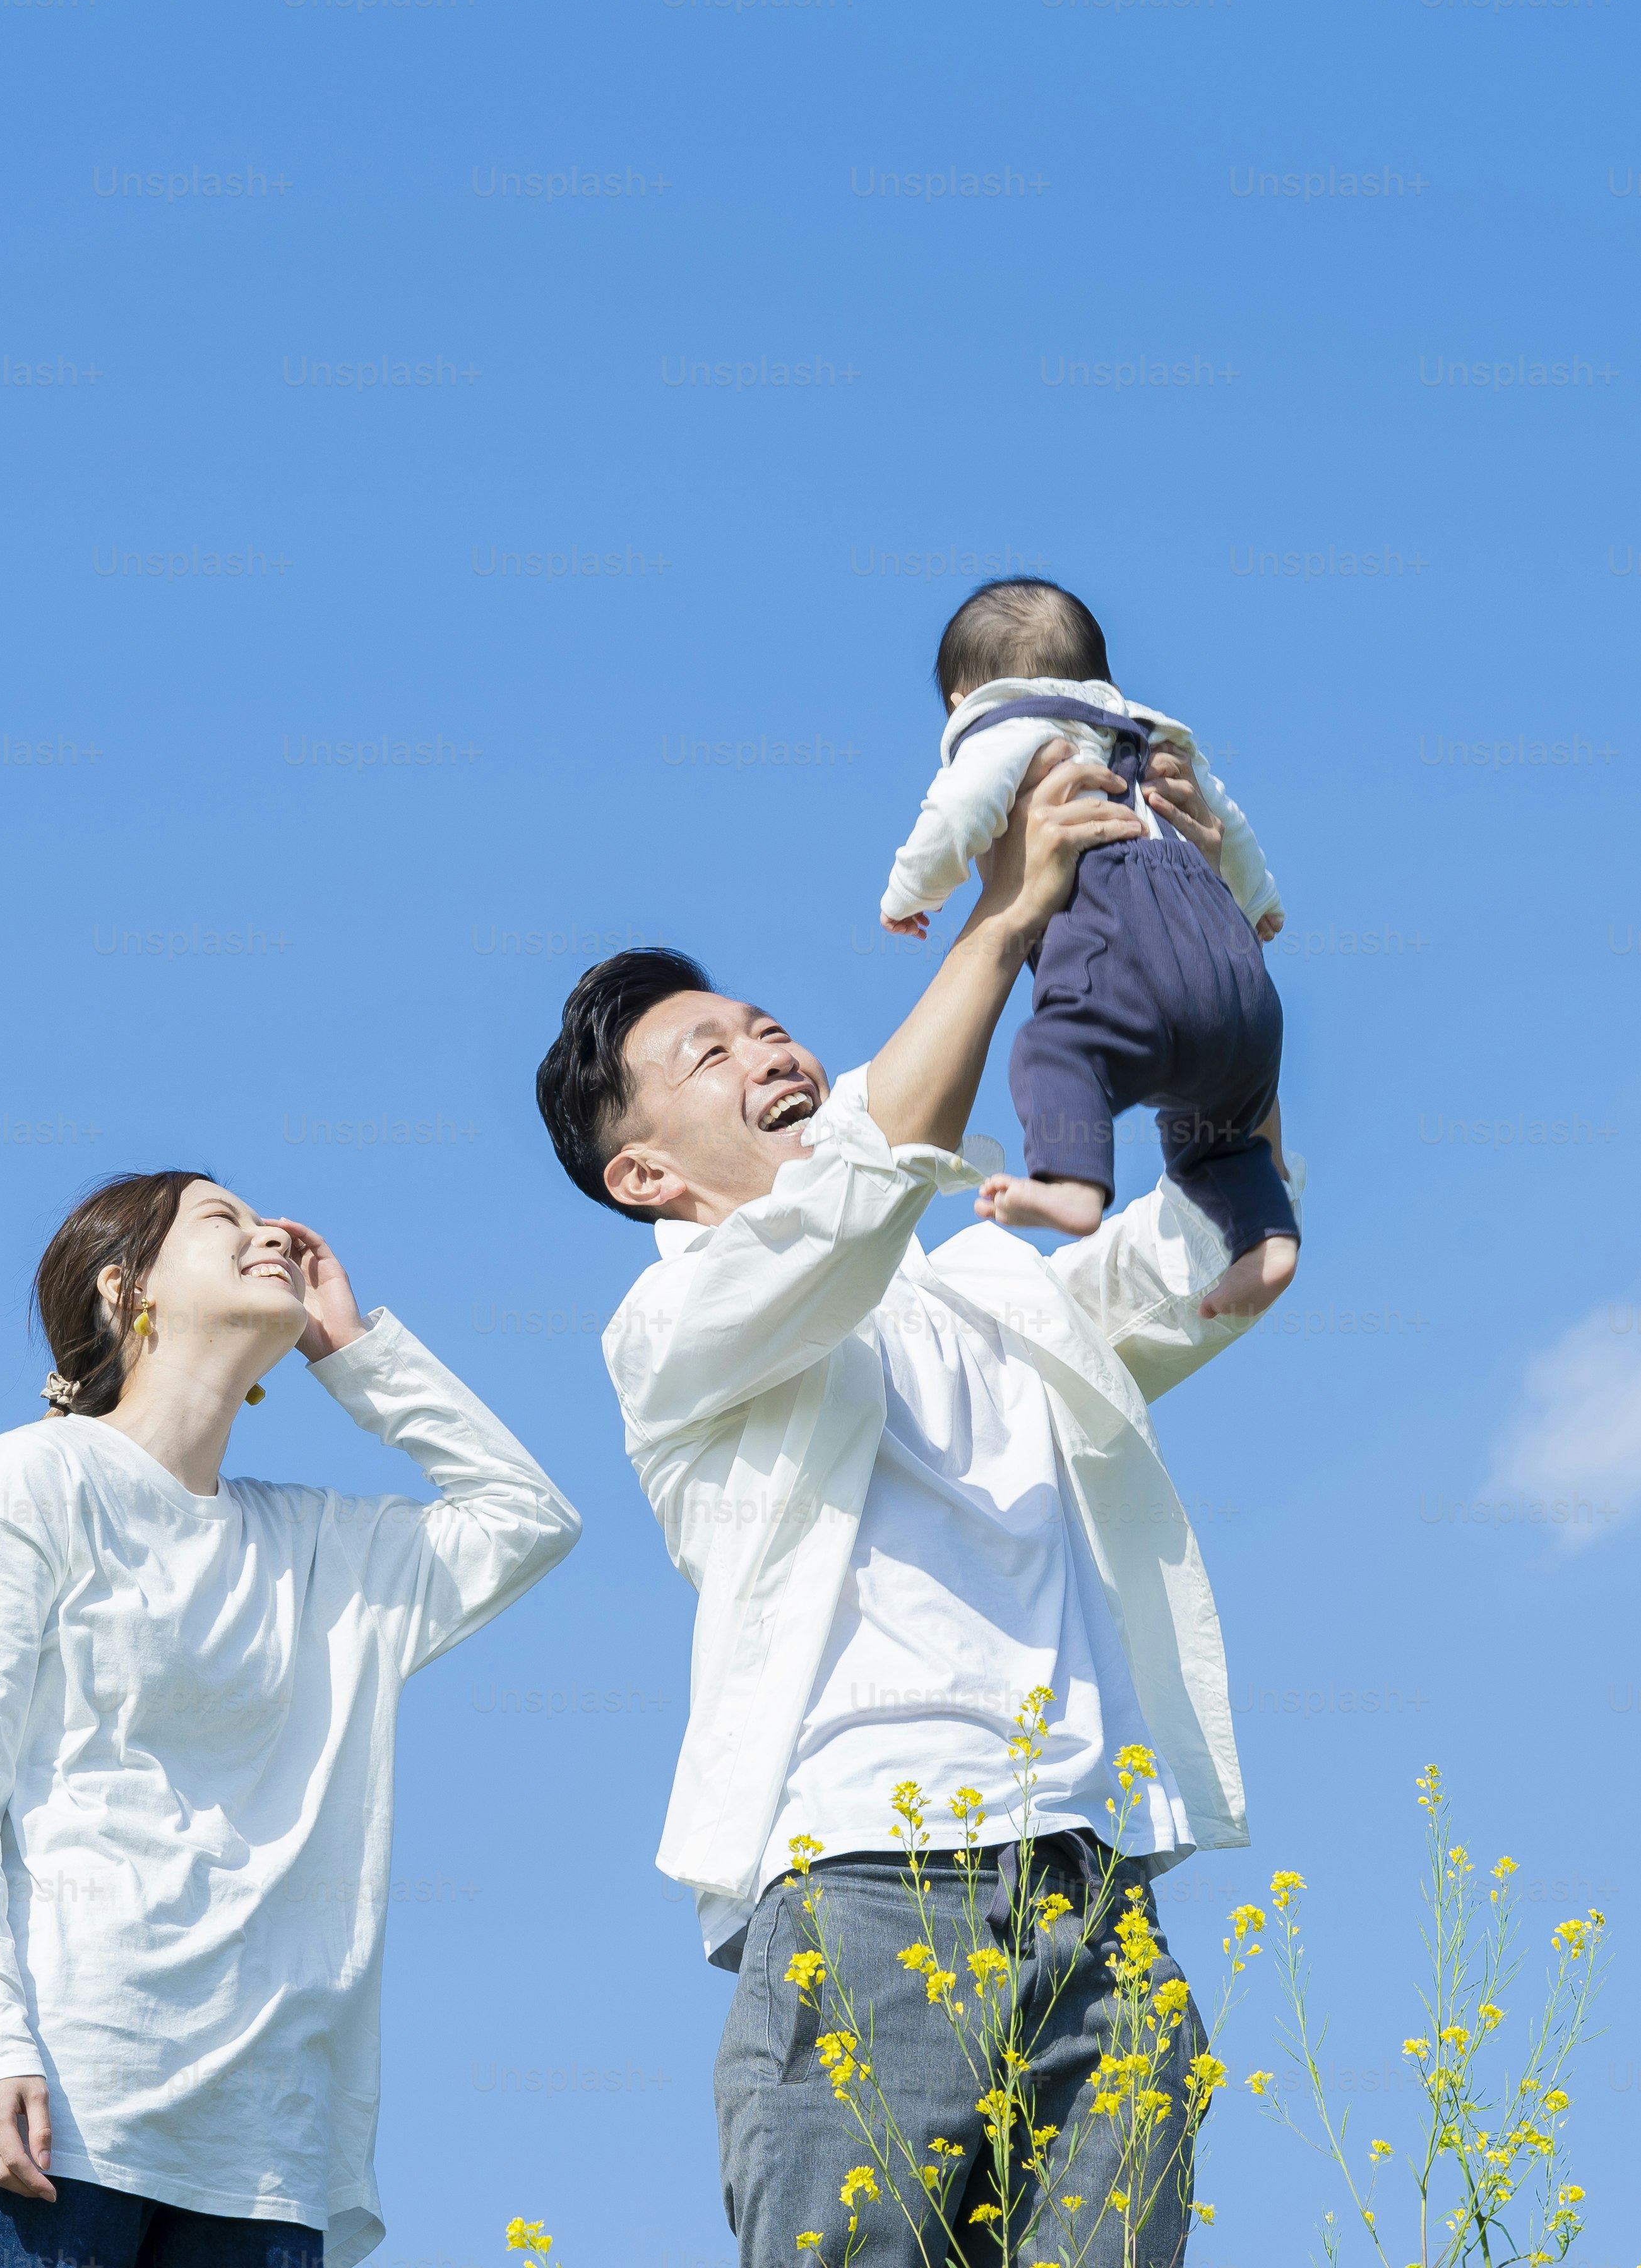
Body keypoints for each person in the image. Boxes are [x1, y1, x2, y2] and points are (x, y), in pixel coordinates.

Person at [531, 749, 1298, 2266]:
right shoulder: (674, 1334)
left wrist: (1213, 949)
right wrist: (1003, 920)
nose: (765, 1044)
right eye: (707, 1053)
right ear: (644, 1174)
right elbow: (867, 1179)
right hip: (868, 1882)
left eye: (766, 1022)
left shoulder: (993, 1283)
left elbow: (1224, 1246)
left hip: (1091, 1879)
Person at [0, 1174, 578, 2267]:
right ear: (125, 1290)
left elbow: (526, 1518)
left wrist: (356, 1353)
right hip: (58, 2109)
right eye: (224, 1221)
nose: (270, 1235)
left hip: (262, 2157)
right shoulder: (33, 1480)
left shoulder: (322, 1549)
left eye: (268, 1224)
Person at [881, 577, 1296, 1318]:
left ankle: (1072, 1181)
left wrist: (913, 891)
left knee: (1053, 1051)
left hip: (1124, 953)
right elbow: (1226, 824)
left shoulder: (1009, 726)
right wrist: (1259, 903)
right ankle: (1266, 1237)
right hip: (1241, 981)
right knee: (1218, 1136)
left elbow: (958, 809)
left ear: (963, 697)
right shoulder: (1155, 737)